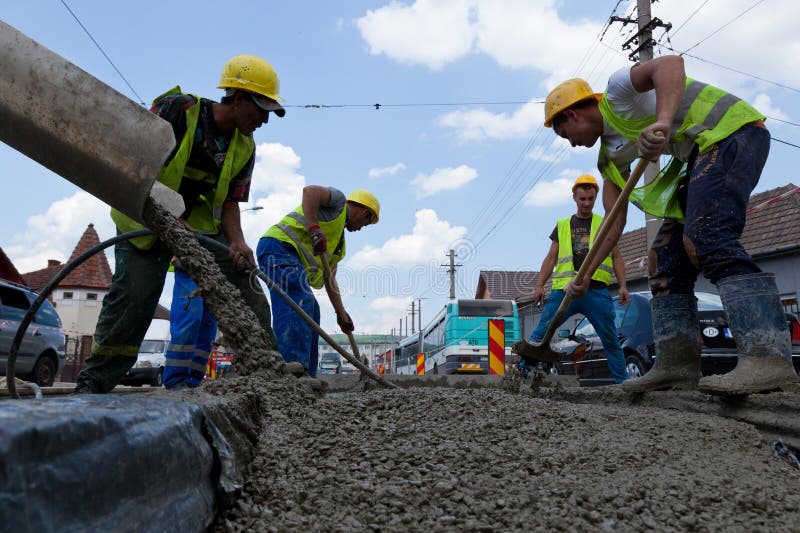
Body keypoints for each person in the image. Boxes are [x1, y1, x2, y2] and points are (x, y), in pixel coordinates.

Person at [544, 55, 798, 395]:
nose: (571, 143)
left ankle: (768, 361)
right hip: (703, 153)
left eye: (565, 134)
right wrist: (585, 275)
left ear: (573, 115)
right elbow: (614, 222)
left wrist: (663, 122)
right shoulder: (610, 157)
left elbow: (670, 65)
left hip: (734, 130)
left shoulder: (619, 91)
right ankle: (676, 368)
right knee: (664, 260)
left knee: (707, 234)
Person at [74, 54, 283, 393]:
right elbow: (134, 161)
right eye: (262, 109)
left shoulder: (245, 146)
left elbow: (230, 201)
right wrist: (171, 217)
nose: (265, 120)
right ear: (239, 98)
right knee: (135, 298)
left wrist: (237, 241)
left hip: (195, 229)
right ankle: (93, 385)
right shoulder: (179, 110)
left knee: (245, 280)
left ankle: (270, 374)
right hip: (142, 218)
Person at [516, 174, 630, 384]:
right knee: (541, 332)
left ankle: (623, 382)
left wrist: (623, 285)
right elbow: (551, 258)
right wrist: (539, 285)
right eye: (582, 199)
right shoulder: (563, 225)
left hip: (596, 291)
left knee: (610, 338)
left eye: (590, 199)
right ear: (574, 198)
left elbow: (616, 256)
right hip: (564, 292)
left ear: (596, 197)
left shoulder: (604, 223)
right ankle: (522, 373)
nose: (586, 203)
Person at [256, 186, 380, 377]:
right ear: (365, 213)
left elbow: (330, 280)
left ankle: (307, 375)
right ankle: (290, 367)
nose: (362, 228)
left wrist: (341, 314)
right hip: (279, 246)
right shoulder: (338, 202)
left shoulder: (338, 245)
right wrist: (314, 228)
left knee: (312, 310)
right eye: (366, 223)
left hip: (289, 257)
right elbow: (310, 192)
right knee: (299, 301)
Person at [163, 262, 218, 390]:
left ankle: (193, 381)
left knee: (208, 327)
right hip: (189, 264)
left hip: (215, 270)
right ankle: (175, 380)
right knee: (190, 316)